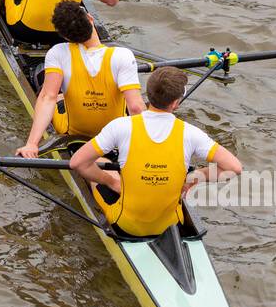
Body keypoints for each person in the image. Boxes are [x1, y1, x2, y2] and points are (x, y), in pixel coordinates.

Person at [70, 65, 243, 237]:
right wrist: (196, 176)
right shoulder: (191, 133)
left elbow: (77, 162)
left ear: (148, 94)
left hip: (126, 226)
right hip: (171, 228)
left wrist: (109, 181)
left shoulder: (121, 126)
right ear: (175, 103)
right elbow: (234, 168)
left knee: (102, 162)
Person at [16, 1, 145, 157]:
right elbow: (136, 108)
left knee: (49, 89)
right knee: (132, 99)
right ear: (90, 18)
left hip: (76, 136)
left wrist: (32, 144)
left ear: (64, 36)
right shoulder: (122, 55)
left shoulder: (58, 52)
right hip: (116, 135)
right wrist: (142, 149)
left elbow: (47, 98)